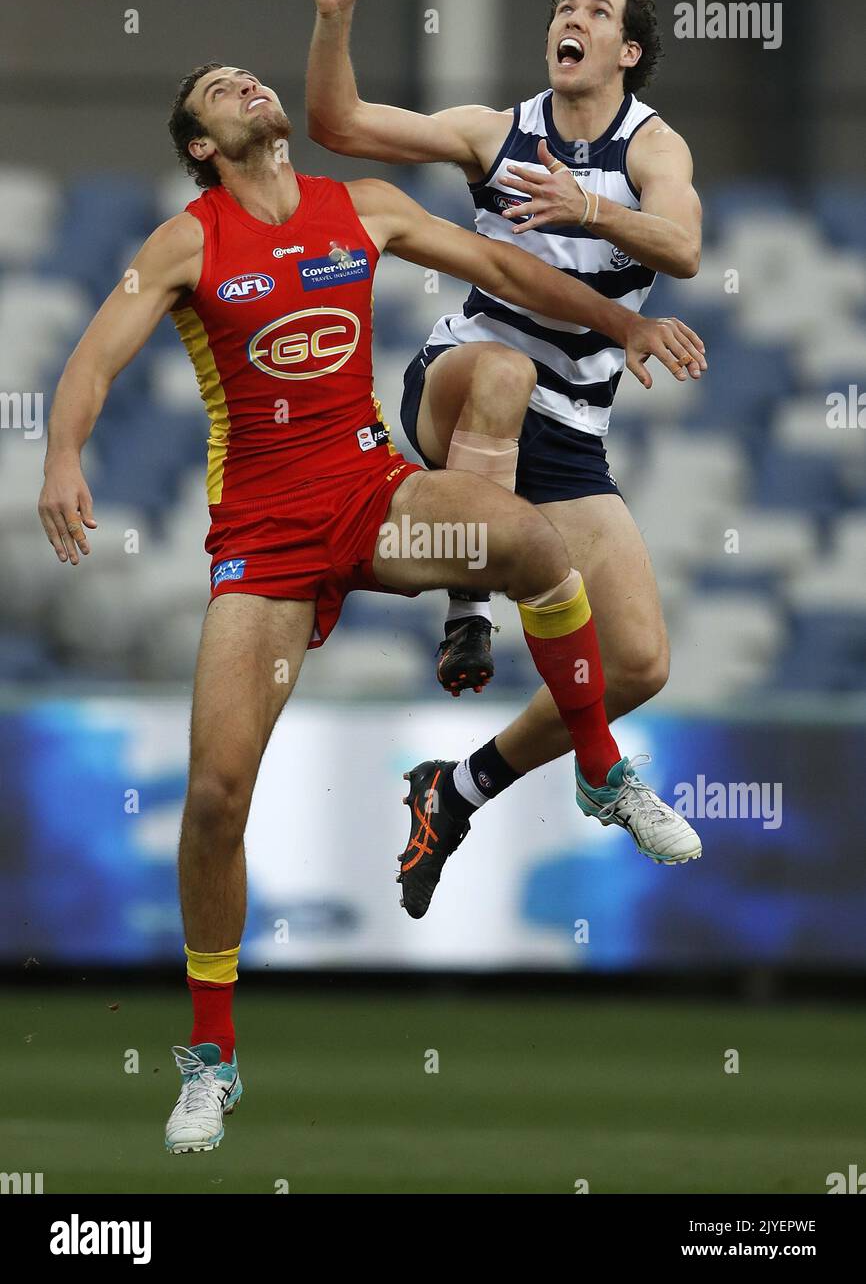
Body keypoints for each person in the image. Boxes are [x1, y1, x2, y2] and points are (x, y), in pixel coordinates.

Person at [38, 62, 703, 1152]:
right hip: (263, 542)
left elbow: (499, 265)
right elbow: (91, 363)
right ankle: (213, 1059)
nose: (246, 84)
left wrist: (618, 327)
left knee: (534, 543)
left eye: (249, 75)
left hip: (372, 499)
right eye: (219, 88)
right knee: (213, 796)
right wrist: (63, 454)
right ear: (200, 143)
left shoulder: (363, 210)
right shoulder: (186, 242)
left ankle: (597, 767)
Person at [304, 0, 705, 910]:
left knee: (641, 664)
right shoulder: (494, 130)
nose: (570, 18)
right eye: (564, 7)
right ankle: (467, 609)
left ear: (627, 54)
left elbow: (683, 246)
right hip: (460, 386)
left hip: (566, 436)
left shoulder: (651, 146)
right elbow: (339, 124)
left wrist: (591, 210)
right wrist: (334, 14)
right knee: (501, 371)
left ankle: (457, 789)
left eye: (596, 12)